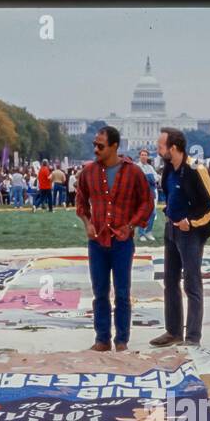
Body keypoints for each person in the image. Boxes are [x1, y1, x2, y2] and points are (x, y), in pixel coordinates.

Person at [75, 125, 153, 351]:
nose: (96, 149)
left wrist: (131, 225)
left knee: (121, 292)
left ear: (114, 146)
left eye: (100, 146)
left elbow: (146, 202)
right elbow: (80, 201)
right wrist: (87, 223)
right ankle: (102, 338)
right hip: (97, 240)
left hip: (121, 241)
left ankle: (121, 340)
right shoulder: (89, 172)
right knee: (99, 292)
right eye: (94, 145)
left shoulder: (133, 172)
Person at [150, 127, 210, 347]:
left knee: (192, 283)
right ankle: (173, 331)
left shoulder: (196, 169)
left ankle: (192, 336)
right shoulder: (169, 169)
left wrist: (192, 222)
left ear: (174, 147)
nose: (158, 150)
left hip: (191, 234)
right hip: (172, 230)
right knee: (170, 281)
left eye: (161, 146)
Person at [136, 148, 159, 242]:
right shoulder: (136, 167)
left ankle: (148, 232)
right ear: (139, 156)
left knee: (153, 214)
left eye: (145, 155)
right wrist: (149, 179)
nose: (144, 156)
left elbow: (156, 178)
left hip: (150, 193)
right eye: (142, 154)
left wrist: (148, 179)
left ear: (147, 156)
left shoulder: (150, 167)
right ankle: (141, 234)